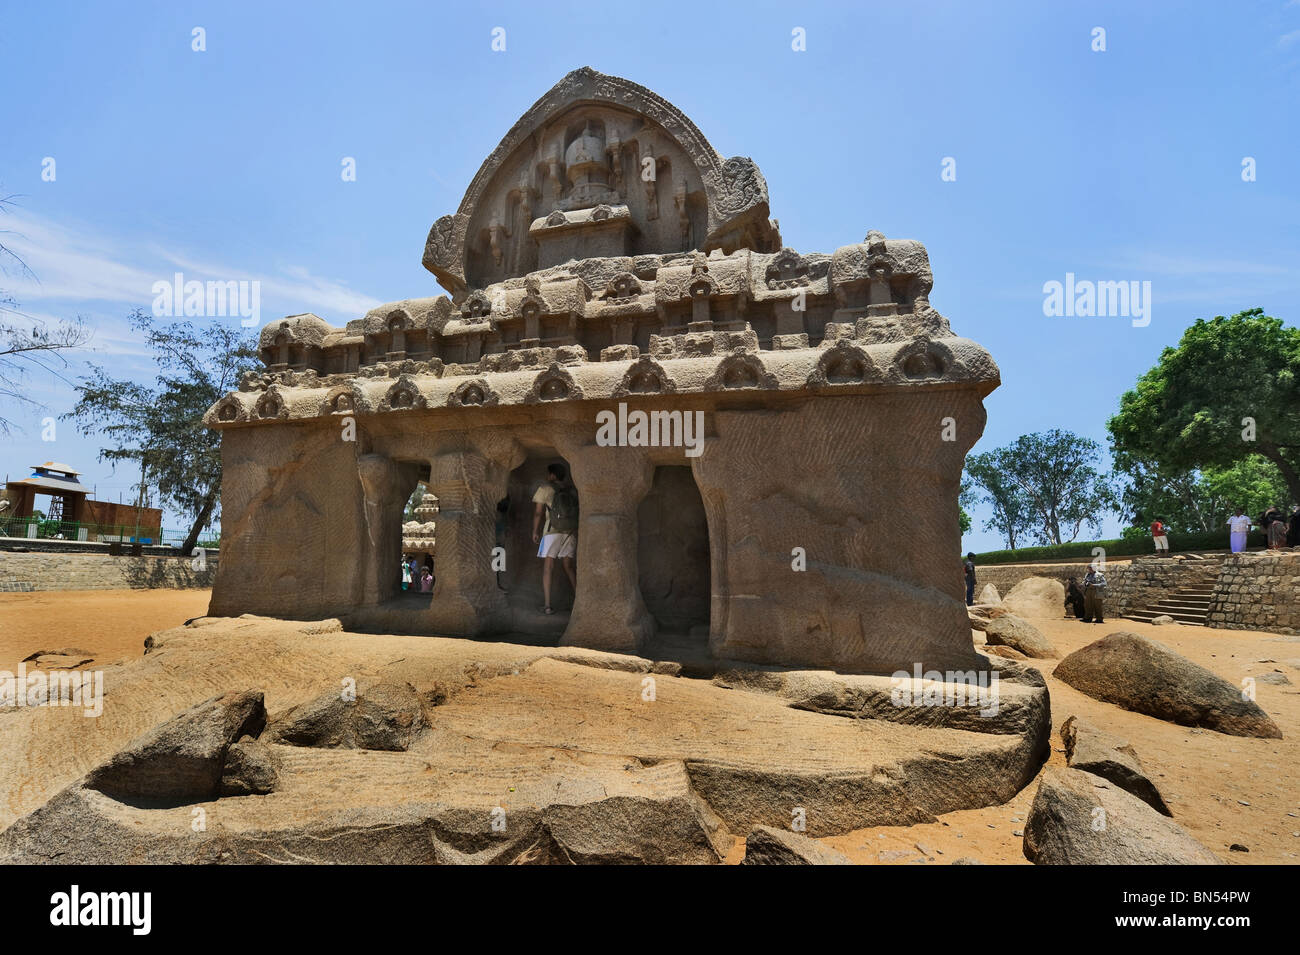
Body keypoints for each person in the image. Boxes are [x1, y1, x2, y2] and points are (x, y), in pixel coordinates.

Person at [532, 463, 578, 615]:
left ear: (552, 475)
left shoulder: (545, 489)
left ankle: (547, 606)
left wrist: (535, 531)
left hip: (552, 531)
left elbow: (538, 513)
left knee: (548, 568)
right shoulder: (571, 490)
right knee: (568, 567)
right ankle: (580, 601)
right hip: (569, 532)